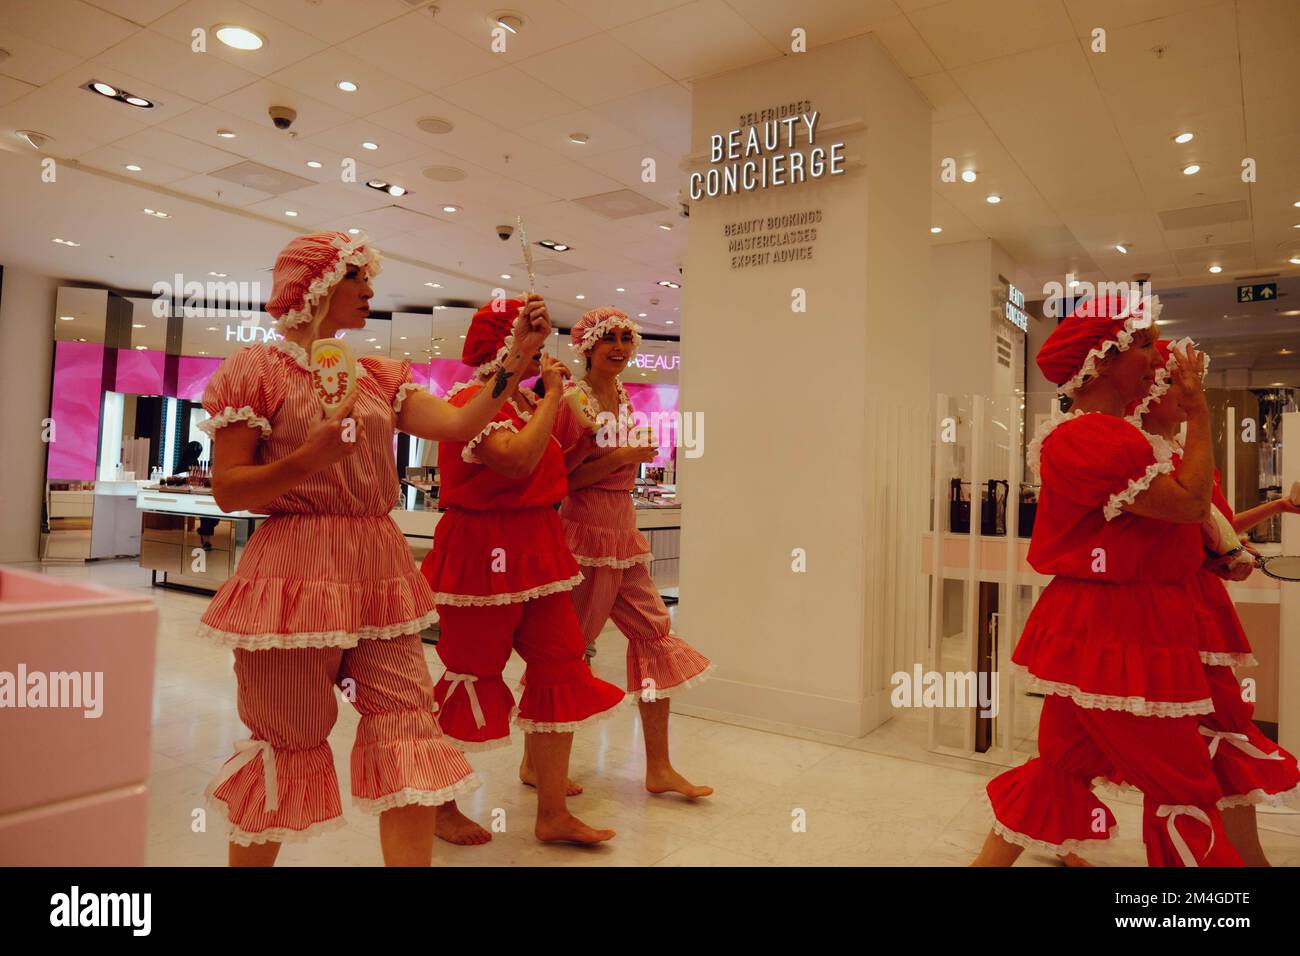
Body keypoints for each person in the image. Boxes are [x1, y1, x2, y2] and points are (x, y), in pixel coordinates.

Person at [198, 232, 552, 866]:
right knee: (288, 736)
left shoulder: (378, 378)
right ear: (312, 287)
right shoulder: (255, 370)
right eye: (355, 277)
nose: (368, 290)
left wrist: (515, 359)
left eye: (368, 278)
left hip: (378, 565)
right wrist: (313, 455)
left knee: (407, 725)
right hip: (293, 572)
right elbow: (229, 489)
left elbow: (459, 423)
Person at [973, 293, 1243, 867]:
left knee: (1063, 764)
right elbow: (1192, 504)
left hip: (1110, 623)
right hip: (1124, 627)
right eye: (1141, 344)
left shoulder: (1116, 437)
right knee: (1184, 784)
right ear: (1100, 361)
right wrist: (1199, 414)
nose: (1154, 357)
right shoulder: (1093, 436)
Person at [419, 298, 627, 846]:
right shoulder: (470, 401)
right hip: (483, 551)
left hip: (540, 546)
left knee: (561, 666)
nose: (543, 352)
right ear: (506, 346)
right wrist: (554, 397)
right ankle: (439, 805)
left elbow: (553, 467)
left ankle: (552, 811)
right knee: (470, 674)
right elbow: (513, 461)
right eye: (532, 339)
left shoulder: (519, 405)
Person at [1101, 337, 1300, 865]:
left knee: (1218, 735)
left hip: (1197, 609)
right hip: (1162, 614)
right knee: (1182, 746)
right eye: (1165, 381)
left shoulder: (1188, 460)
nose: (1184, 392)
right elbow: (1189, 526)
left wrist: (1276, 507)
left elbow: (1216, 528)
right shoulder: (1136, 456)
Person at [517, 307, 712, 799]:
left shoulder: (621, 396)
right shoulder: (572, 400)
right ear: (589, 347)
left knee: (654, 634)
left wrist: (628, 461)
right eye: (610, 339)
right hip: (583, 533)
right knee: (567, 651)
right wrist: (623, 457)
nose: (621, 346)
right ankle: (533, 762)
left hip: (623, 529)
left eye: (628, 338)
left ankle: (659, 766)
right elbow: (558, 479)